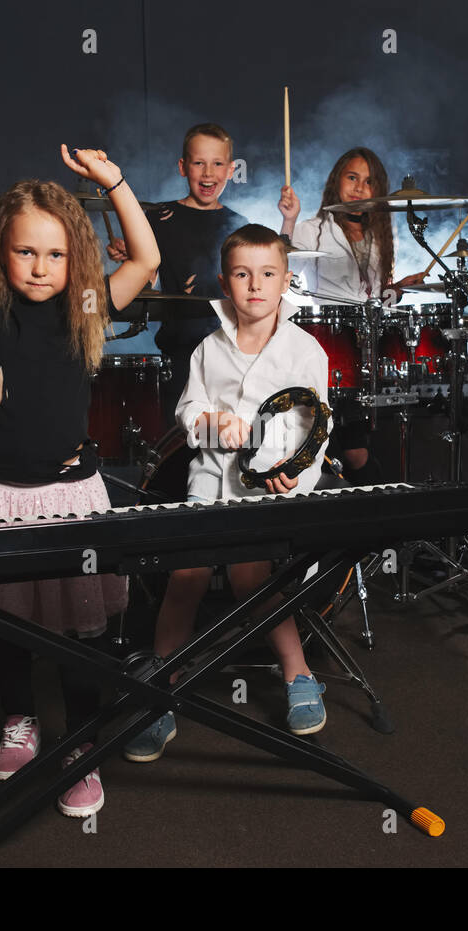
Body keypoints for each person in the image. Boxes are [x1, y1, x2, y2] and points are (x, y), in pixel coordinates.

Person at [0, 68, 160, 814]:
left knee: (82, 629)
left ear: (74, 260)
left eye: (55, 255)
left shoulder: (86, 306)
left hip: (70, 494)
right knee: (12, 624)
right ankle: (19, 721)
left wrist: (113, 183)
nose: (41, 267)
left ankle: (81, 743)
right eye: (27, 252)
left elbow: (146, 260)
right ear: (2, 250)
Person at [122, 224, 332, 762]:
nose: (255, 285)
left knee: (249, 576)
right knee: (185, 577)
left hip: (268, 493)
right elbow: (188, 413)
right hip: (209, 483)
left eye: (267, 274)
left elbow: (316, 427)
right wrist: (212, 422)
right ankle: (160, 694)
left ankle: (298, 674)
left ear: (286, 280)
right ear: (225, 281)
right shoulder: (208, 349)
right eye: (242, 274)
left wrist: (293, 473)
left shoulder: (305, 350)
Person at [278, 147, 424, 485]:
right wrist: (289, 220)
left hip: (363, 353)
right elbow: (281, 265)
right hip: (326, 346)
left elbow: (377, 297)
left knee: (355, 452)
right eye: (352, 177)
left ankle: (376, 509)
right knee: (319, 444)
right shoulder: (313, 229)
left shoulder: (382, 235)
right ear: (336, 181)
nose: (359, 188)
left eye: (369, 182)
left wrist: (399, 288)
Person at [108, 123, 248, 429]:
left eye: (218, 164)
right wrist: (132, 260)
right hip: (179, 354)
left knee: (228, 437)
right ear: (183, 167)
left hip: (231, 354)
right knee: (181, 441)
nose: (208, 173)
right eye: (199, 163)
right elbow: (147, 281)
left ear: (231, 170)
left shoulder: (239, 225)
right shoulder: (158, 218)